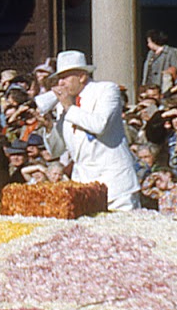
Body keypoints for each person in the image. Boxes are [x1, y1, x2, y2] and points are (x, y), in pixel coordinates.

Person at [35, 50, 140, 210]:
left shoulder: (106, 90)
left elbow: (99, 125)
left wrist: (68, 107)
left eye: (65, 77)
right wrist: (49, 127)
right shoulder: (64, 104)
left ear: (82, 76)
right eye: (59, 78)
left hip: (115, 183)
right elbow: (57, 150)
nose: (60, 83)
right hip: (83, 183)